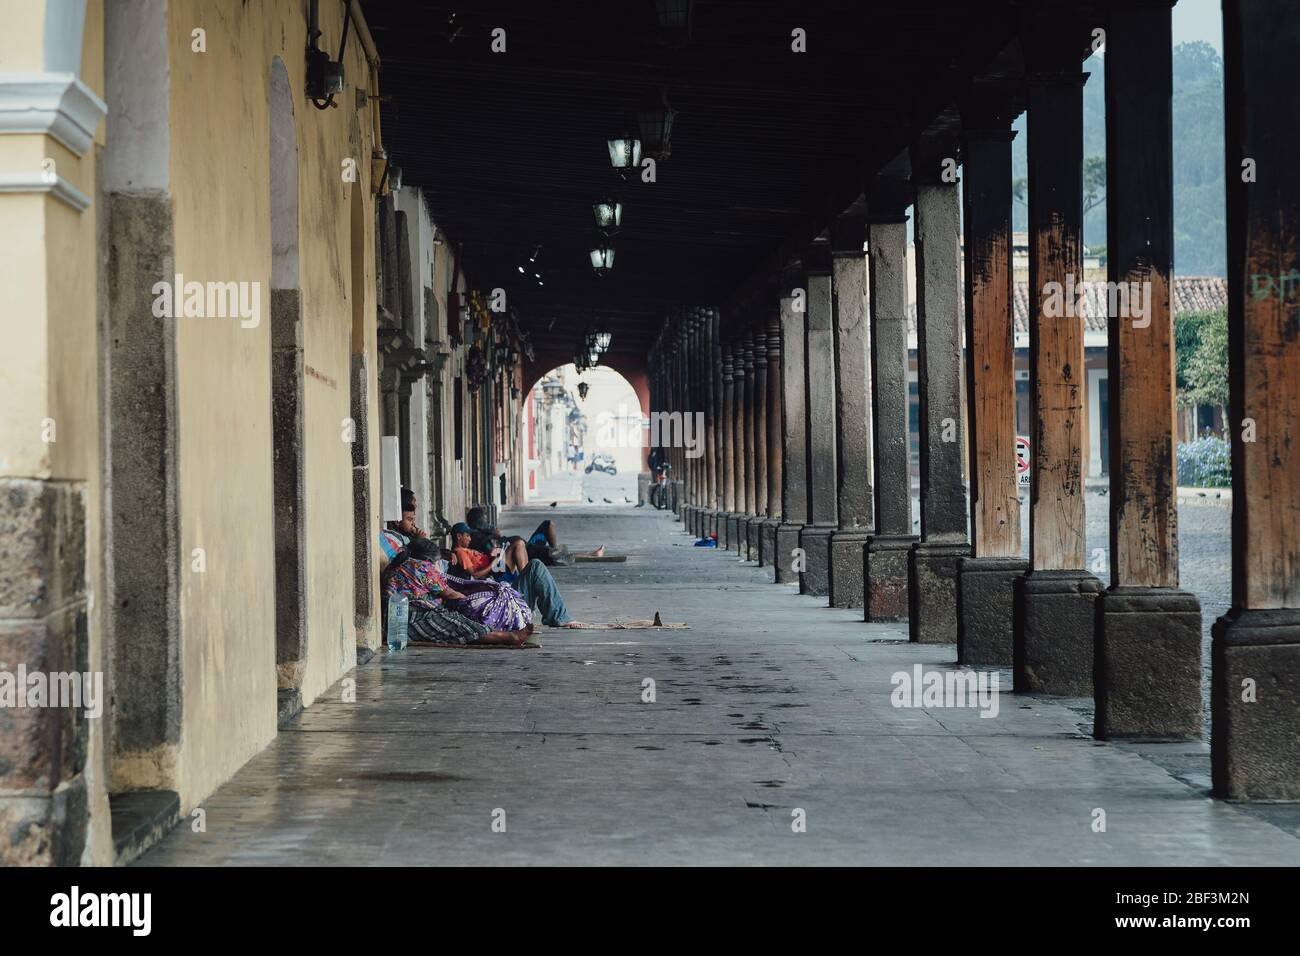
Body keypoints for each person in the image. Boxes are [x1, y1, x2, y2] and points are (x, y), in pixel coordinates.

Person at [383, 539, 532, 647]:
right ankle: (510, 637)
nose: (436, 567)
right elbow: (448, 593)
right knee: (460, 626)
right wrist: (466, 599)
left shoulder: (398, 564)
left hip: (396, 618)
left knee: (454, 621)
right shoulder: (422, 567)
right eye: (435, 563)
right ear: (427, 559)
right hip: (413, 619)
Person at [450, 522, 580, 628]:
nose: (470, 539)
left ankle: (532, 588)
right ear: (459, 536)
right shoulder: (460, 552)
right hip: (499, 591)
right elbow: (476, 575)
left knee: (520, 546)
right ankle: (558, 616)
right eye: (467, 536)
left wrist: (492, 555)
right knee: (533, 562)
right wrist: (494, 563)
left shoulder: (464, 551)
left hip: (499, 585)